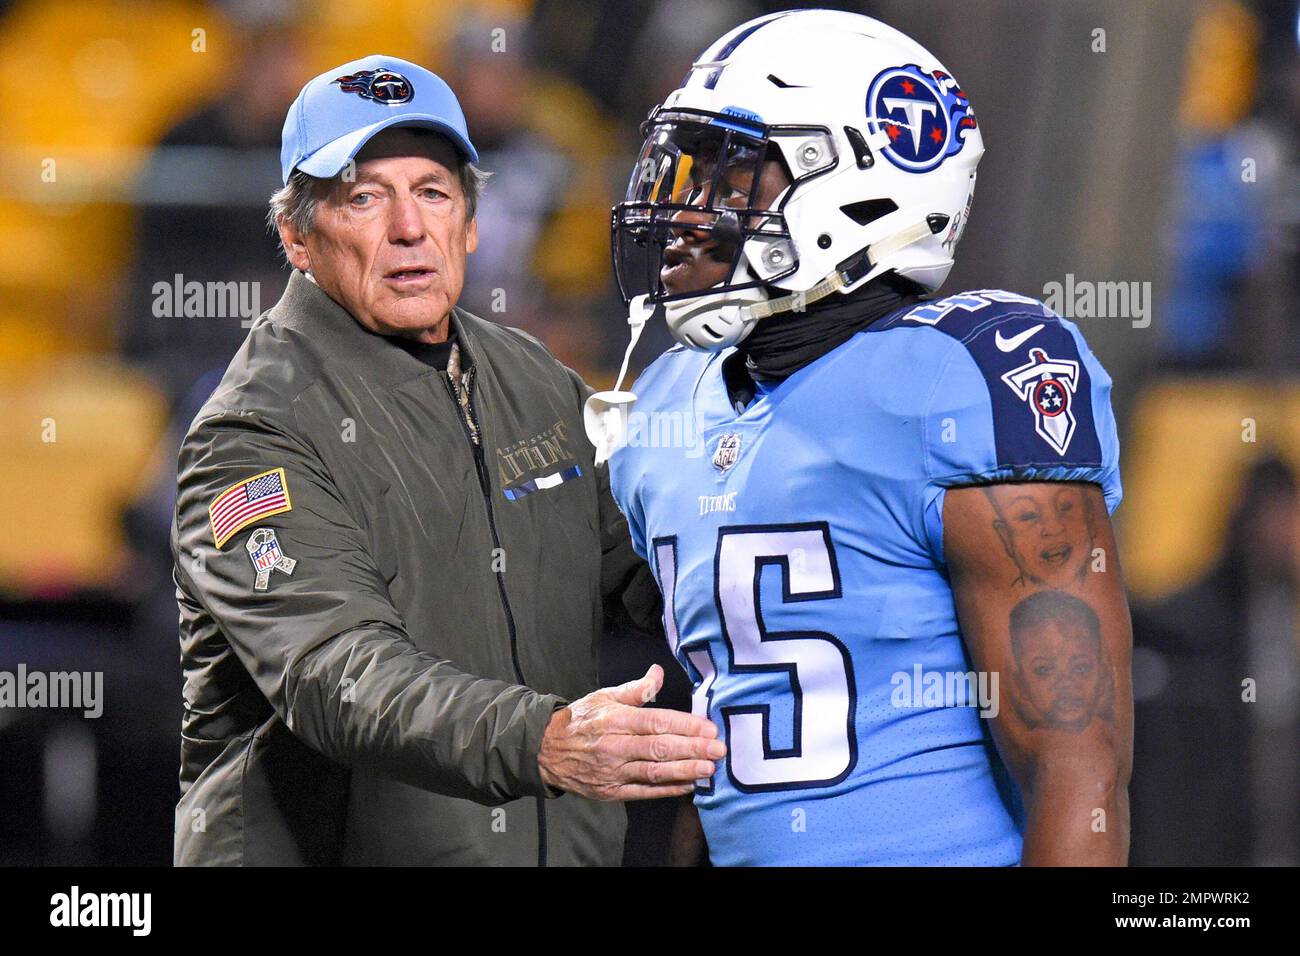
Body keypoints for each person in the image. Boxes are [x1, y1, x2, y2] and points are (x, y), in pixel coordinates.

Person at [604, 10, 1133, 865]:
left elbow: (1080, 766)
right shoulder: (668, 403)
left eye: (732, 180)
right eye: (687, 178)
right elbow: (725, 732)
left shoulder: (970, 373)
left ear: (853, 176)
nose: (689, 213)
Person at [171, 55, 723, 866]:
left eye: (433, 192)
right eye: (363, 196)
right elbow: (334, 675)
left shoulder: (531, 379)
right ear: (295, 234)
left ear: (469, 223)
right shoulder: (252, 432)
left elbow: (653, 563)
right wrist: (545, 739)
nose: (407, 228)